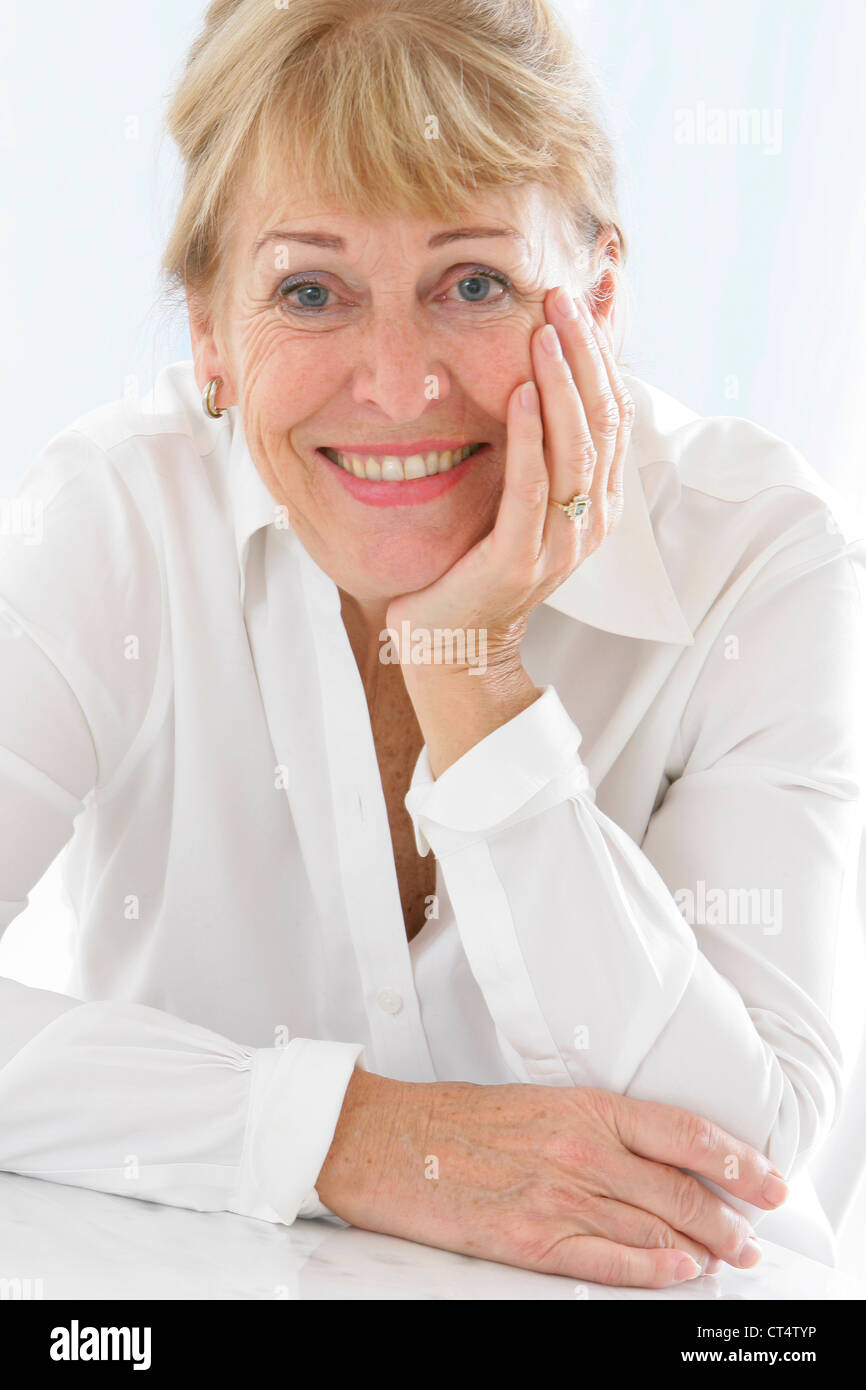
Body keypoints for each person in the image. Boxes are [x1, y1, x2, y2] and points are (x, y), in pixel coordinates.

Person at [1, 0, 863, 1289]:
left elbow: (737, 1170)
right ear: (208, 334)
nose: (399, 384)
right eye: (310, 290)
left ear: (602, 304)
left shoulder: (760, 557)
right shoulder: (122, 515)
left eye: (476, 283)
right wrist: (360, 1138)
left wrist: (476, 677)